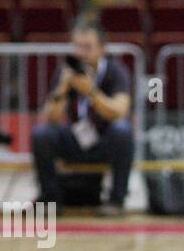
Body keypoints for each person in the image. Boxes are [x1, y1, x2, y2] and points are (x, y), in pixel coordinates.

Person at [31, 21, 135, 215]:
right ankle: (50, 200)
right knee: (42, 133)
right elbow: (51, 117)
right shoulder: (66, 73)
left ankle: (116, 201)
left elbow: (119, 111)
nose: (81, 53)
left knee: (123, 130)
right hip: (76, 138)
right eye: (77, 47)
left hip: (105, 140)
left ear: (103, 49)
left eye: (87, 47)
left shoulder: (116, 72)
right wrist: (62, 88)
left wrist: (91, 92)